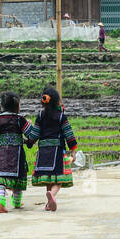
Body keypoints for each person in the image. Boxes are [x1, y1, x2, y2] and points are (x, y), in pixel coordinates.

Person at [30, 84, 78, 212]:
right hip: (57, 150)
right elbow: (69, 134)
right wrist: (73, 150)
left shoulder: (40, 116)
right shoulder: (61, 116)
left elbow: (34, 134)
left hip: (43, 150)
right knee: (59, 177)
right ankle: (52, 195)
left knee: (48, 177)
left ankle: (49, 203)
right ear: (57, 101)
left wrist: (28, 142)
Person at [0, 91, 36, 213]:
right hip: (17, 154)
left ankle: (0, 200)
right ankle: (17, 202)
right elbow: (32, 133)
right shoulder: (20, 120)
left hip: (2, 154)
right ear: (16, 106)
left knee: (1, 180)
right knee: (18, 177)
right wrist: (29, 141)